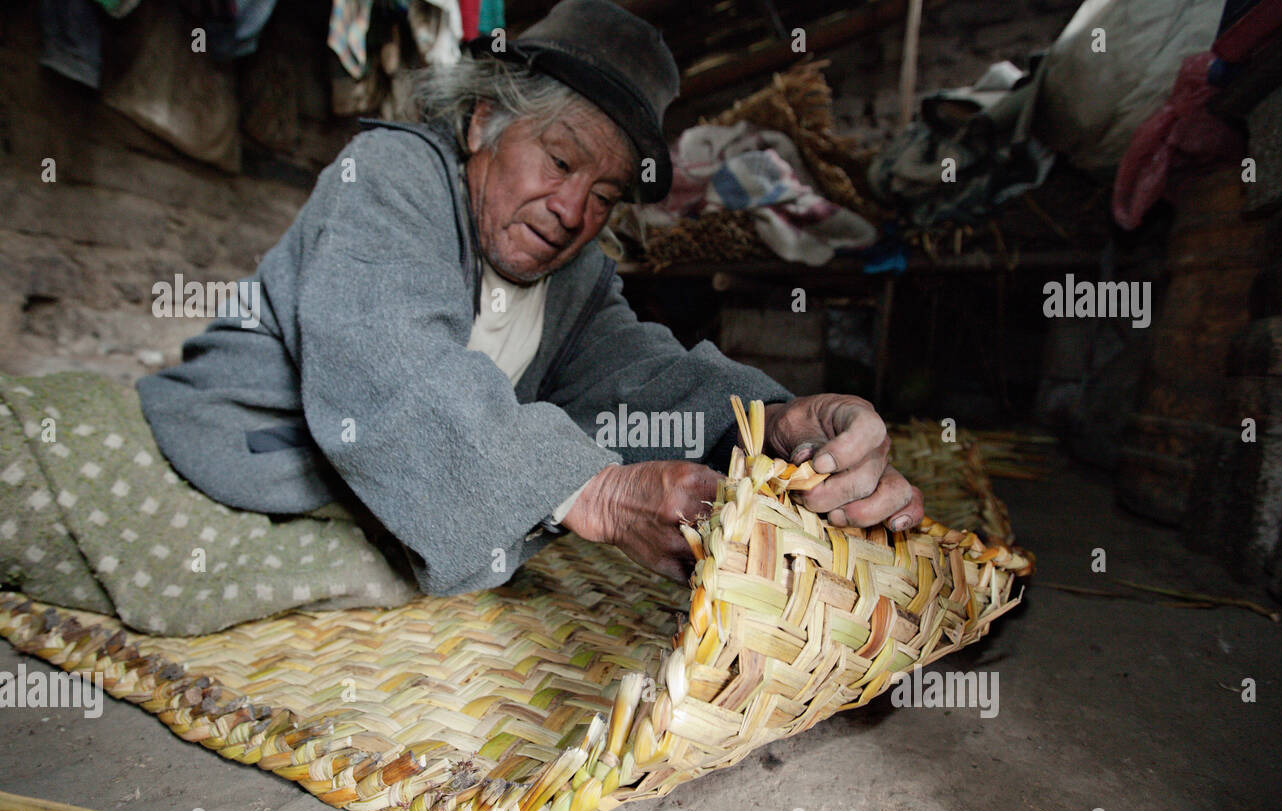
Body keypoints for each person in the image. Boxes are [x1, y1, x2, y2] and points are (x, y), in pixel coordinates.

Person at [135, 0, 923, 598]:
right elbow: (396, 369)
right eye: (558, 160)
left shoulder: (572, 274)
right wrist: (600, 493)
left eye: (605, 194)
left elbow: (642, 379)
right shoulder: (388, 176)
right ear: (482, 123)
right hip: (252, 464)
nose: (573, 210)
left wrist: (779, 427)